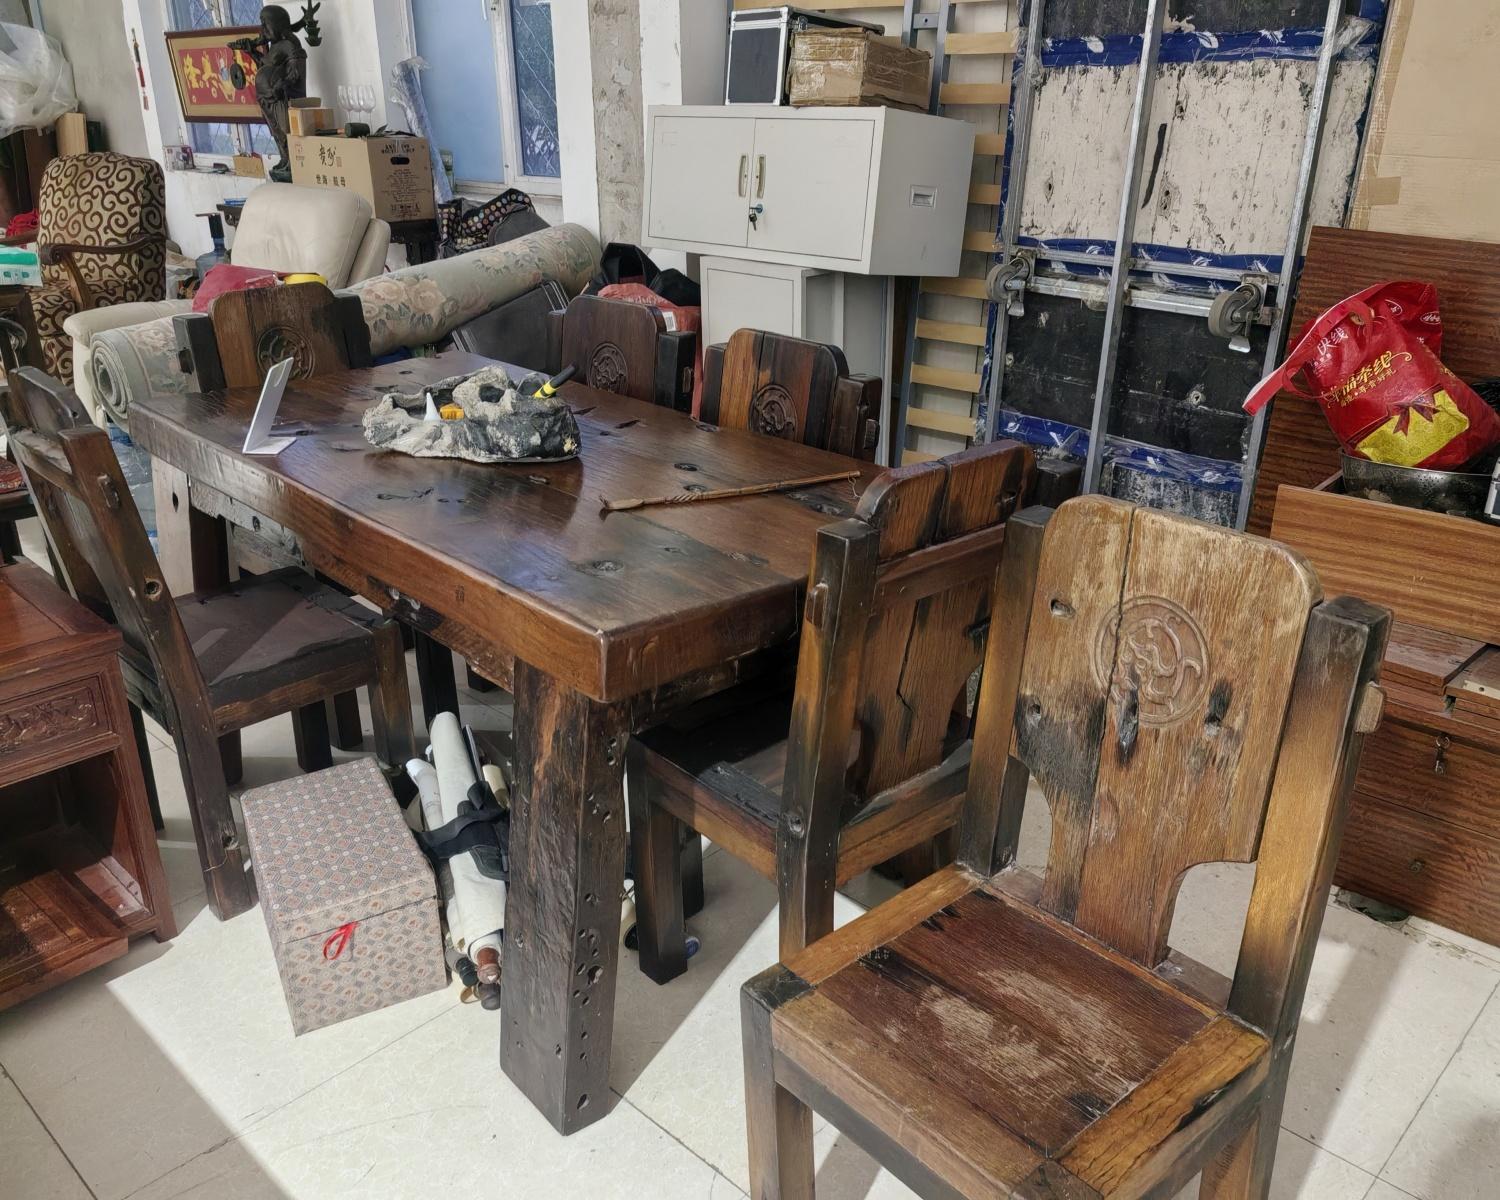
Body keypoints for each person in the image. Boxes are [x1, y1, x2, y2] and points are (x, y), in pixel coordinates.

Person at [230, 5, 311, 181]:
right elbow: (264, 66)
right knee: (275, 131)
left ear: (278, 24)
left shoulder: (289, 44)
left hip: (282, 98)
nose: (263, 29)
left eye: (265, 24)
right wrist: (251, 51)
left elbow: (296, 71)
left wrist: (283, 84)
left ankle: (292, 161)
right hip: (267, 98)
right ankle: (284, 158)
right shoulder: (273, 47)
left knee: (286, 129)